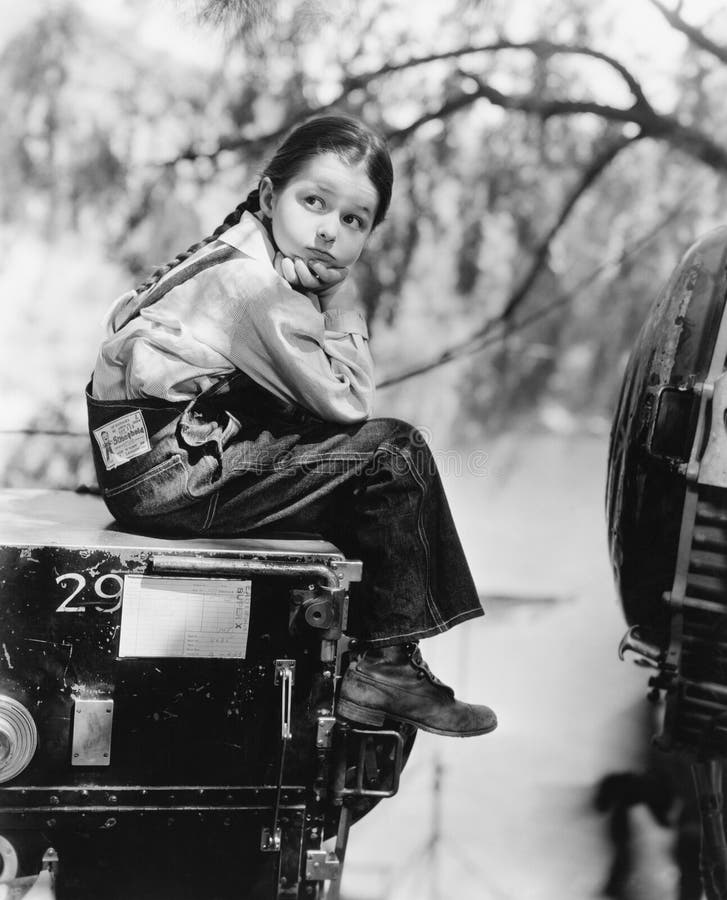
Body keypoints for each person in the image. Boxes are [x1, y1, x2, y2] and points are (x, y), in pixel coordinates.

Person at [87, 114, 496, 738]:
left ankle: (376, 667)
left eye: (354, 220)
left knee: (352, 480)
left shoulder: (234, 255)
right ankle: (386, 669)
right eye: (315, 202)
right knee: (394, 454)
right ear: (270, 195)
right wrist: (341, 303)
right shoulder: (256, 290)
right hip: (174, 476)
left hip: (147, 466)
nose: (330, 230)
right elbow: (348, 403)